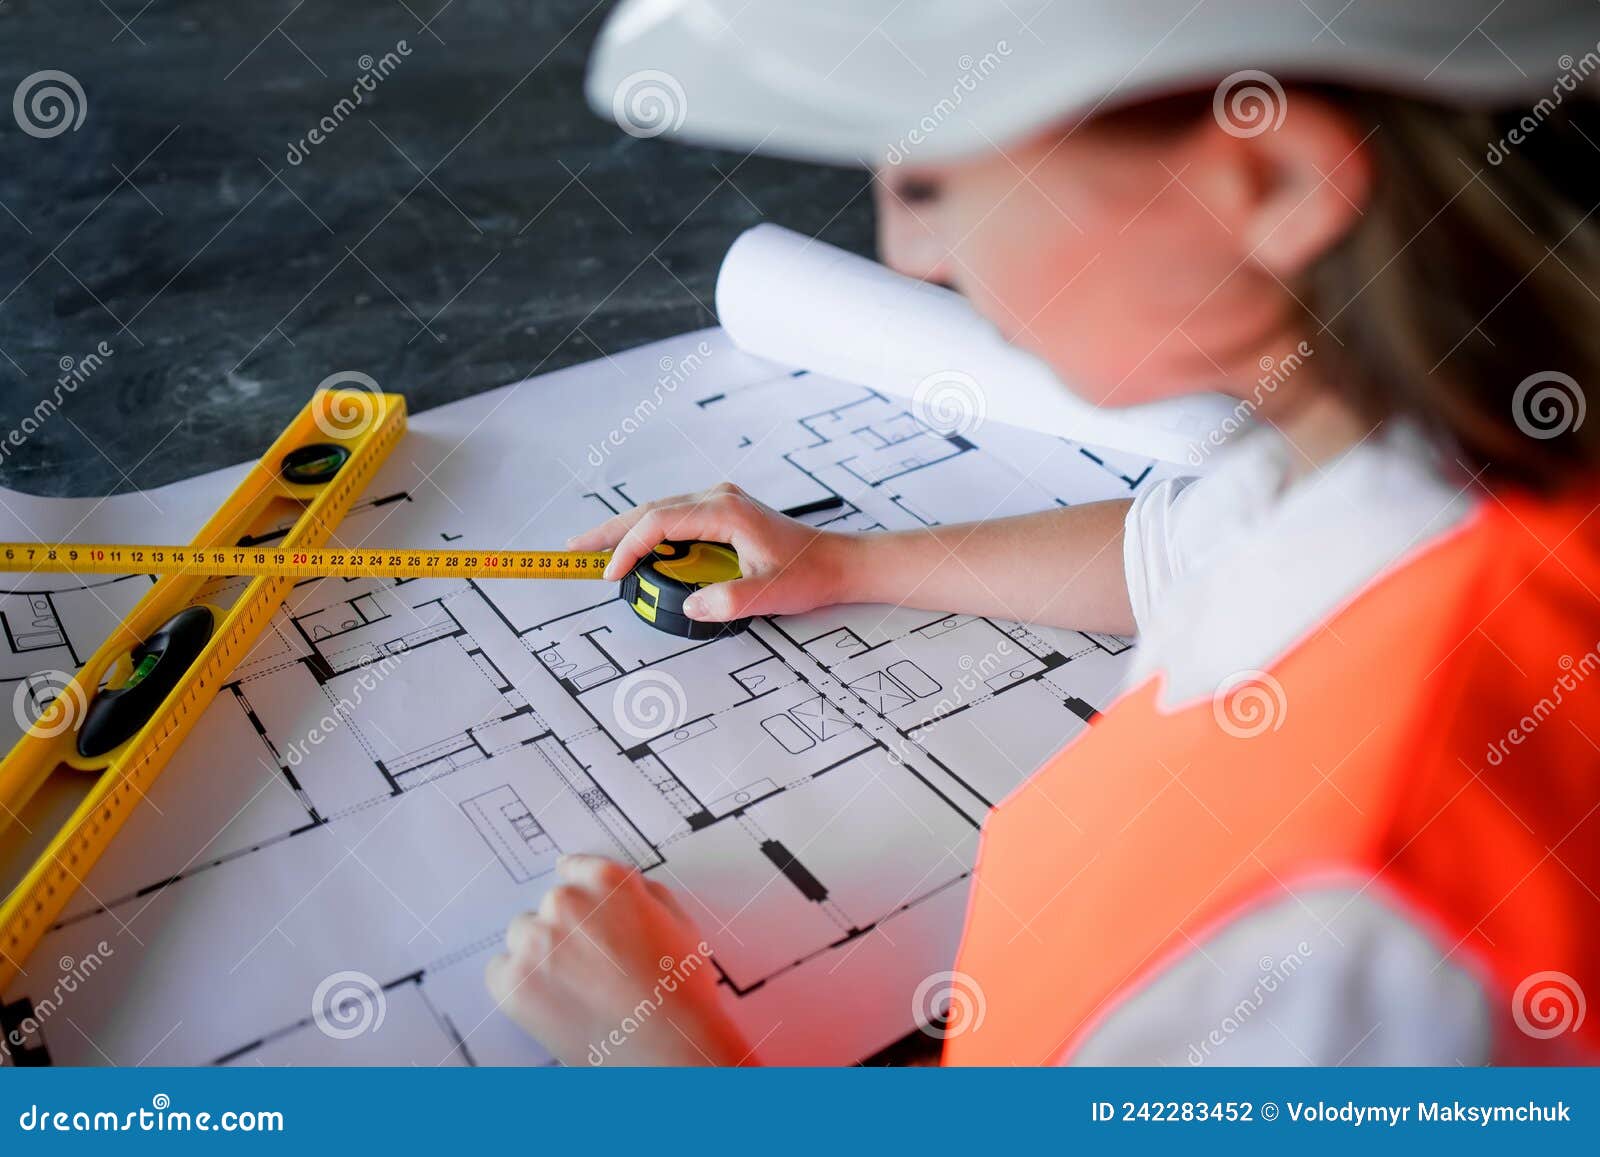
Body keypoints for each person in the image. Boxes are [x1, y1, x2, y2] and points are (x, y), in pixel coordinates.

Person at [484, 2, 1600, 1065]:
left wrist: (668, 1065)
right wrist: (847, 562)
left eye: (927, 180)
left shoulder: (1337, 944)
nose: (906, 249)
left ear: (1270, 179)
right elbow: (1190, 548)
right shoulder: (1422, 450)